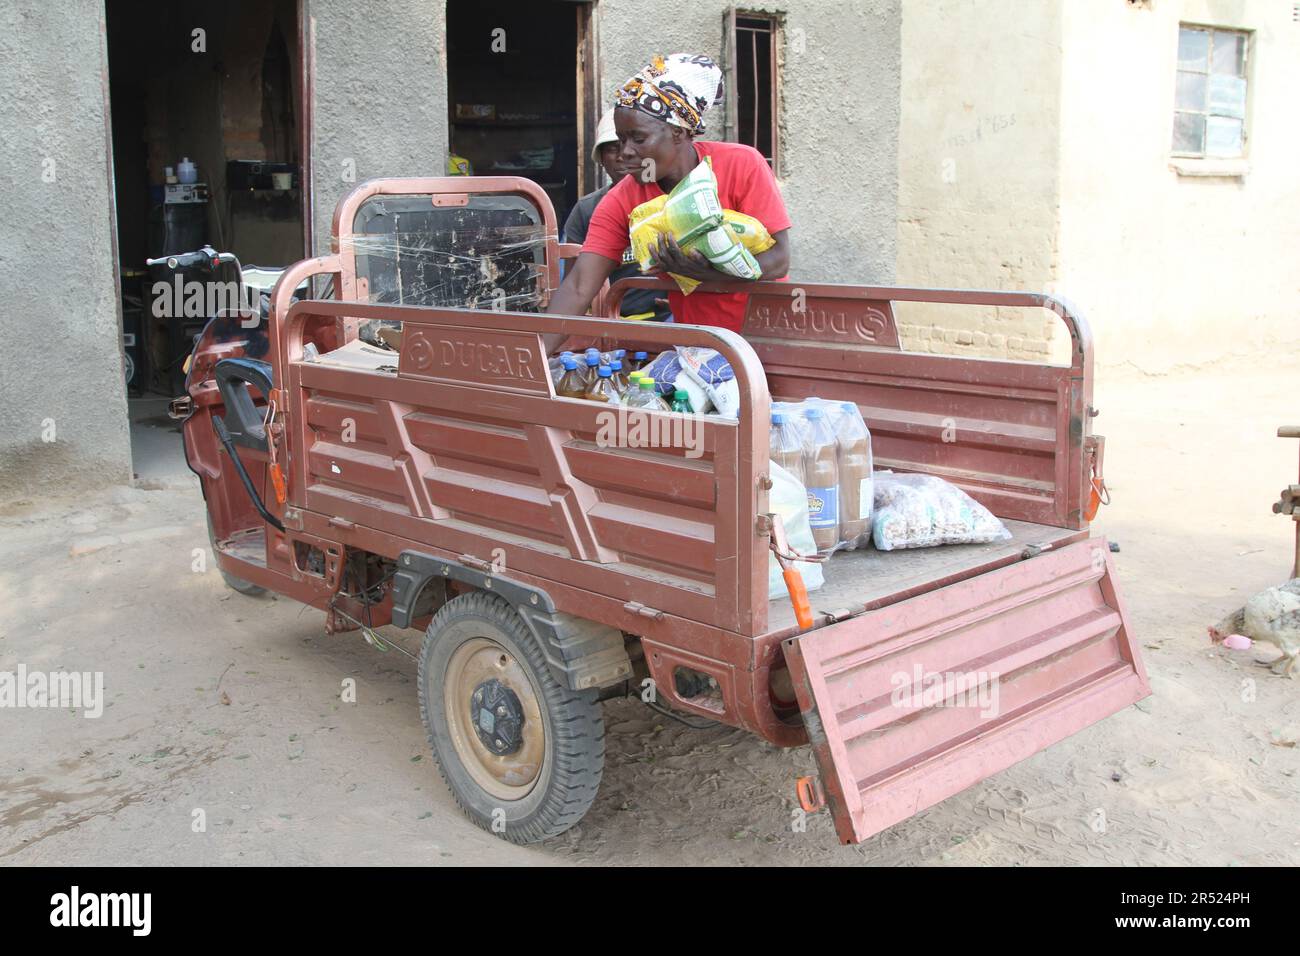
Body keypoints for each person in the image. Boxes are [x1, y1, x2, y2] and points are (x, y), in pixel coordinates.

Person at [547, 53, 791, 333]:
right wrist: (534, 358)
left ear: (677, 132)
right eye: (621, 139)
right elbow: (579, 286)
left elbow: (779, 260)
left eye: (638, 139)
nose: (625, 152)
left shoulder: (741, 165)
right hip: (699, 346)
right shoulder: (622, 199)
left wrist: (707, 274)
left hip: (767, 342)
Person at [562, 109, 671, 322]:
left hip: (668, 318)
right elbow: (575, 285)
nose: (624, 155)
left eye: (636, 143)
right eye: (613, 149)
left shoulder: (669, 200)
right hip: (610, 322)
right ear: (601, 158)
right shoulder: (587, 209)